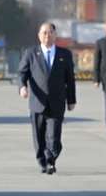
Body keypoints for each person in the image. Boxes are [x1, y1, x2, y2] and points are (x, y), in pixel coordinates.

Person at [17, 21, 76, 174]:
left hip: (56, 101)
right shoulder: (31, 53)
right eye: (44, 32)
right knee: (39, 136)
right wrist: (22, 87)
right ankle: (42, 160)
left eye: (50, 32)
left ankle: (50, 159)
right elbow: (22, 73)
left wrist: (71, 100)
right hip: (38, 101)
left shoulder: (64, 54)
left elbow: (70, 79)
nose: (47, 35)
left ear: (55, 35)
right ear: (39, 35)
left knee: (54, 136)